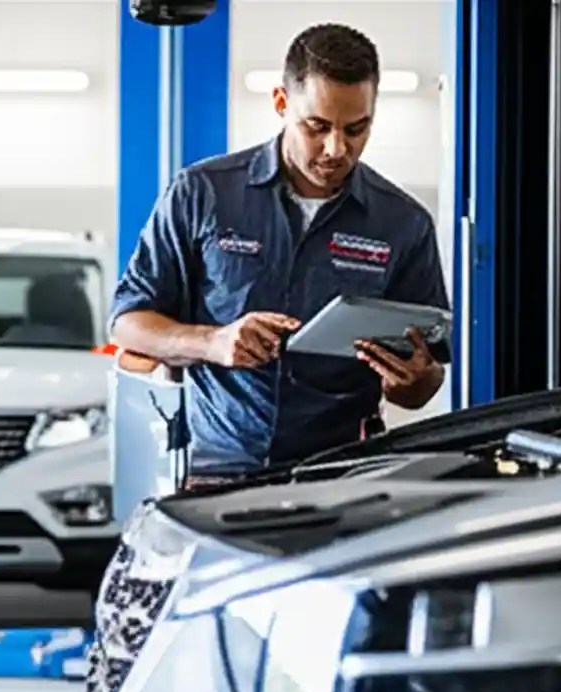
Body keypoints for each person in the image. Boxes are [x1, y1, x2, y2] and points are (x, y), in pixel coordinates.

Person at [108, 23, 450, 473]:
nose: (336, 148)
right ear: (281, 103)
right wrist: (214, 341)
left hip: (342, 474)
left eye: (356, 129)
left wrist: (412, 382)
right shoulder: (203, 193)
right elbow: (127, 324)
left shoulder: (403, 224)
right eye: (317, 126)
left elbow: (425, 378)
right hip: (213, 470)